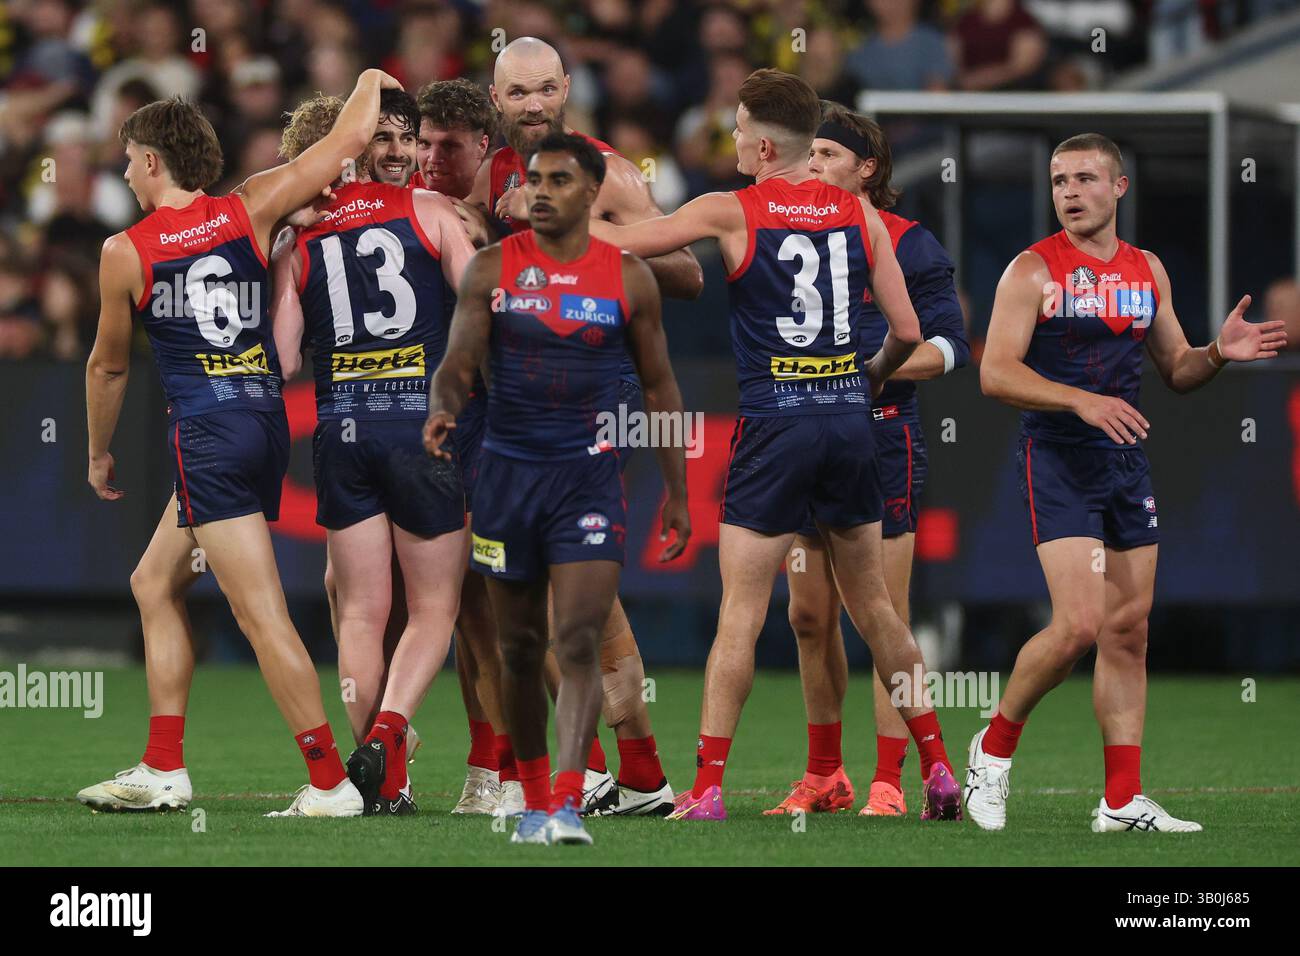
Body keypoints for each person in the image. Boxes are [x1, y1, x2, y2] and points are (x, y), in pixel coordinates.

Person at [586, 68, 962, 822]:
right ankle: (940, 770)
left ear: (762, 146)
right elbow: (912, 333)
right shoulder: (860, 216)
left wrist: (545, 217)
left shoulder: (731, 210)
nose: (730, 141)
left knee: (742, 613)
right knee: (880, 612)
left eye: (735, 130)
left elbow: (624, 242)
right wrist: (867, 381)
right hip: (850, 426)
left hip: (774, 427)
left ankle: (711, 789)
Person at [80, 70, 403, 817]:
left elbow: (108, 364)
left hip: (208, 435)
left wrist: (97, 451)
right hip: (262, 421)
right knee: (153, 583)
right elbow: (348, 139)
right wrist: (368, 81)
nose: (125, 171)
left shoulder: (126, 250)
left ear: (154, 161)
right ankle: (163, 765)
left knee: (260, 615)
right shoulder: (252, 205)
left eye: (130, 158)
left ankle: (329, 783)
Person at [968, 132, 1287, 832]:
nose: (1070, 192)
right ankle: (991, 753)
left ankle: (1120, 802)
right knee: (1077, 626)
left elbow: (1176, 369)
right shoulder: (1031, 270)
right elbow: (994, 372)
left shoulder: (1148, 269)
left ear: (1119, 189)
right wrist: (1079, 399)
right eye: (1058, 180)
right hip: (1057, 458)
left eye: (1084, 178)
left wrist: (1217, 353)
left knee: (1129, 631)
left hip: (1123, 463)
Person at [425, 132, 691, 844]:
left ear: (592, 193)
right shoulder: (489, 269)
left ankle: (568, 805)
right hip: (507, 478)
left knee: (576, 640)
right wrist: (444, 405)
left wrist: (679, 492)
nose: (538, 191)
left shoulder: (630, 277)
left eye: (558, 180)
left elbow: (662, 389)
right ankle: (536, 801)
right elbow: (456, 362)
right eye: (534, 179)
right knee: (516, 648)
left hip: (589, 482)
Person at [470, 37, 704, 816]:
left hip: (592, 407)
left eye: (546, 89)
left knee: (576, 603)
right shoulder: (492, 174)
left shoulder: (614, 172)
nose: (534, 105)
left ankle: (622, 774)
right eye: (518, 93)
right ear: (496, 101)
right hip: (511, 411)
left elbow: (688, 272)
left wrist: (578, 233)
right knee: (541, 606)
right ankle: (629, 776)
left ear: (567, 87)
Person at [270, 89, 475, 815]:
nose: (397, 151)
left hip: (341, 431)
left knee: (359, 612)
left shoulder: (304, 233)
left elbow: (286, 356)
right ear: (356, 145)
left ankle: (386, 784)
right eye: (384, 138)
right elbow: (480, 309)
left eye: (406, 138)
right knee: (434, 607)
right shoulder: (434, 213)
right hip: (421, 430)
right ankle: (390, 736)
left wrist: (279, 255)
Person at [767, 102, 970, 818]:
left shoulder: (910, 243)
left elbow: (949, 346)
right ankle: (826, 774)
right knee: (807, 616)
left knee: (882, 610)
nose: (814, 165)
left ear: (868, 168)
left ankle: (891, 777)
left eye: (828, 154)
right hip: (802, 435)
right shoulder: (788, 231)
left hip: (882, 436)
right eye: (810, 153)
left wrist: (865, 371)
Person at [413, 77, 517, 815]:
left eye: (447, 145)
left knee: (501, 601)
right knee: (456, 606)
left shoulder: (511, 210)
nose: (429, 156)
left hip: (503, 421)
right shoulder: (417, 212)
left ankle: (524, 768)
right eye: (422, 142)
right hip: (437, 420)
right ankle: (486, 766)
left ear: (484, 147)